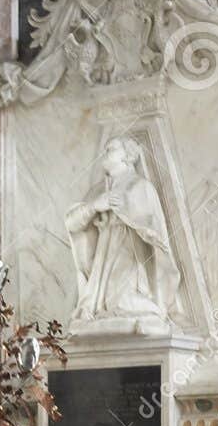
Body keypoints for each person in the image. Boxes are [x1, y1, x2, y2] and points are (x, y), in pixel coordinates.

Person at [66, 136, 182, 333]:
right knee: (104, 304)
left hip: (130, 252)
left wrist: (126, 211)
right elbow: (72, 223)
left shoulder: (141, 186)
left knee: (124, 300)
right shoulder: (99, 190)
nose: (105, 153)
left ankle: (148, 311)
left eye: (111, 149)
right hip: (103, 256)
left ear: (127, 156)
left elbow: (155, 229)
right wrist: (94, 207)